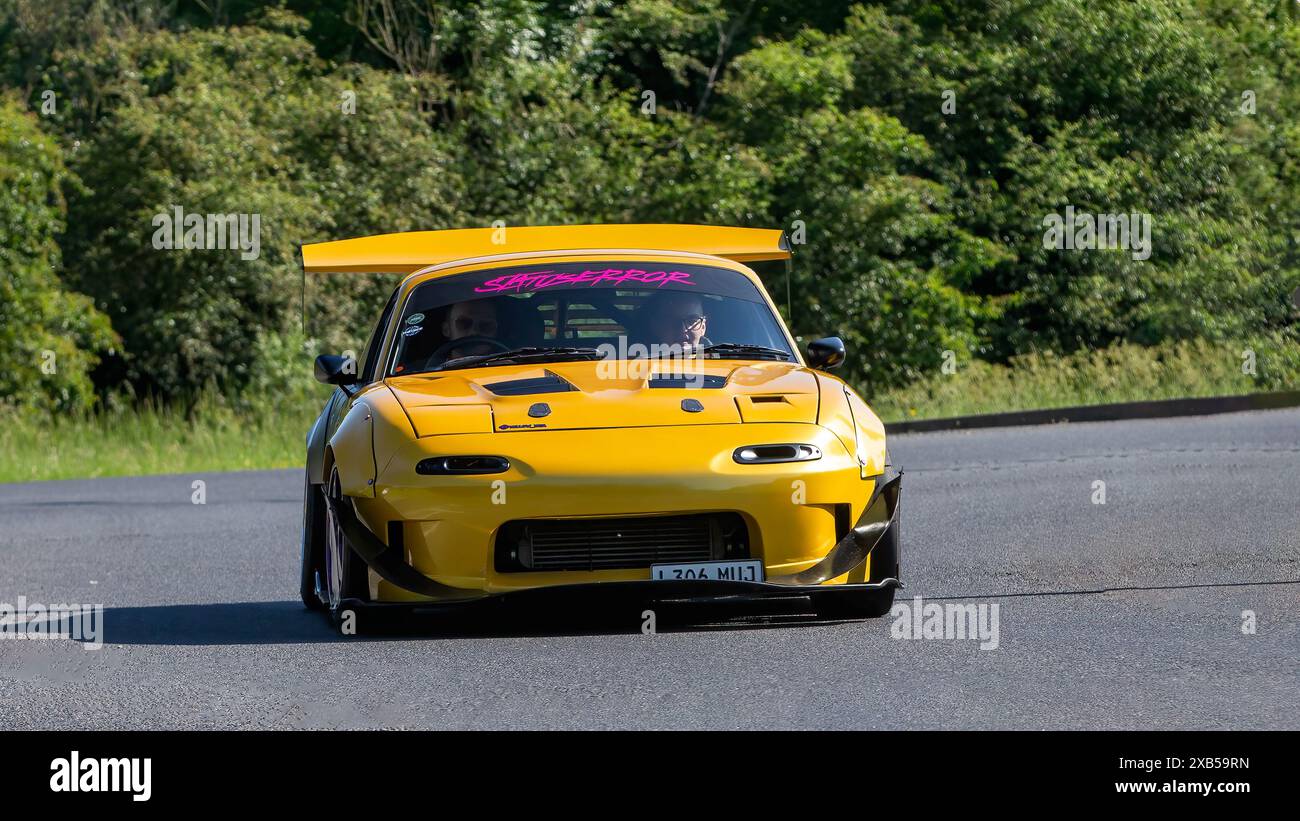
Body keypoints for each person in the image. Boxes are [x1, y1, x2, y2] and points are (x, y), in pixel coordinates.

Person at [640, 291, 710, 352]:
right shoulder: (637, 364)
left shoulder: (719, 362)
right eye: (672, 321)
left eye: (692, 321)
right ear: (656, 327)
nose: (683, 330)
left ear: (703, 328)